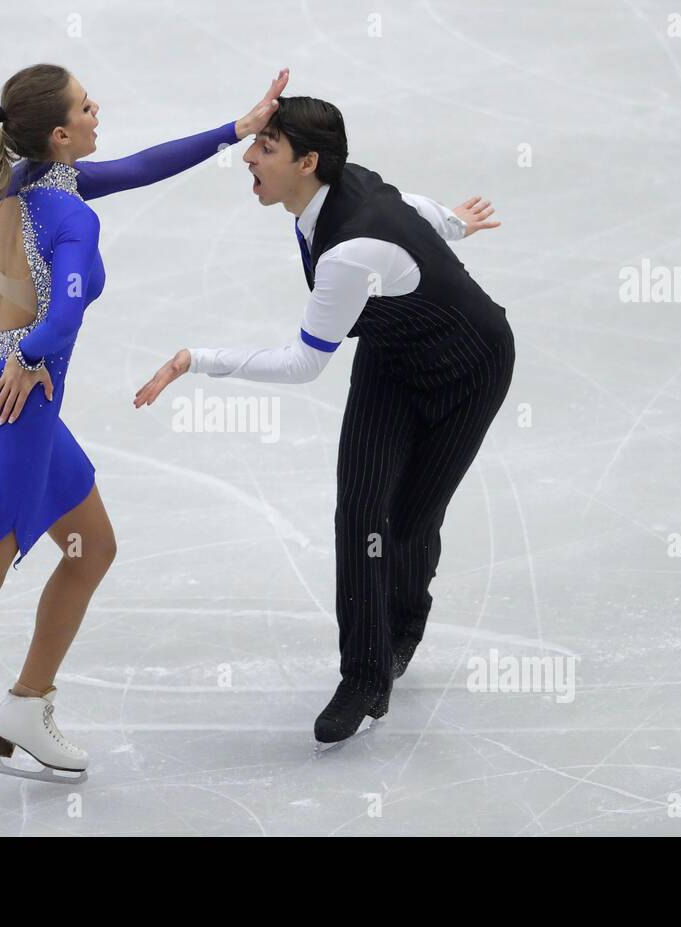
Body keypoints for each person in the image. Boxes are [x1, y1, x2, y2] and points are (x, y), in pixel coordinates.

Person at [0, 64, 292, 835]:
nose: (98, 107)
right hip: (17, 403)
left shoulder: (36, 177)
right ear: (61, 133)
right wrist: (35, 351)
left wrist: (231, 130)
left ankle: (26, 707)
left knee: (90, 543)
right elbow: (63, 312)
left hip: (18, 399)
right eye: (84, 104)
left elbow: (138, 166)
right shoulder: (73, 217)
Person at [134, 95, 512, 745]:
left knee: (410, 523)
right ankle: (365, 677)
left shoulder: (348, 251)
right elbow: (410, 206)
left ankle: (405, 624)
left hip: (470, 368)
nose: (249, 156)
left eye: (267, 149)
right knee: (361, 514)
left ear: (309, 161)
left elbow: (303, 363)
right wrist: (450, 222)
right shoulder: (335, 187)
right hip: (394, 357)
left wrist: (198, 359)